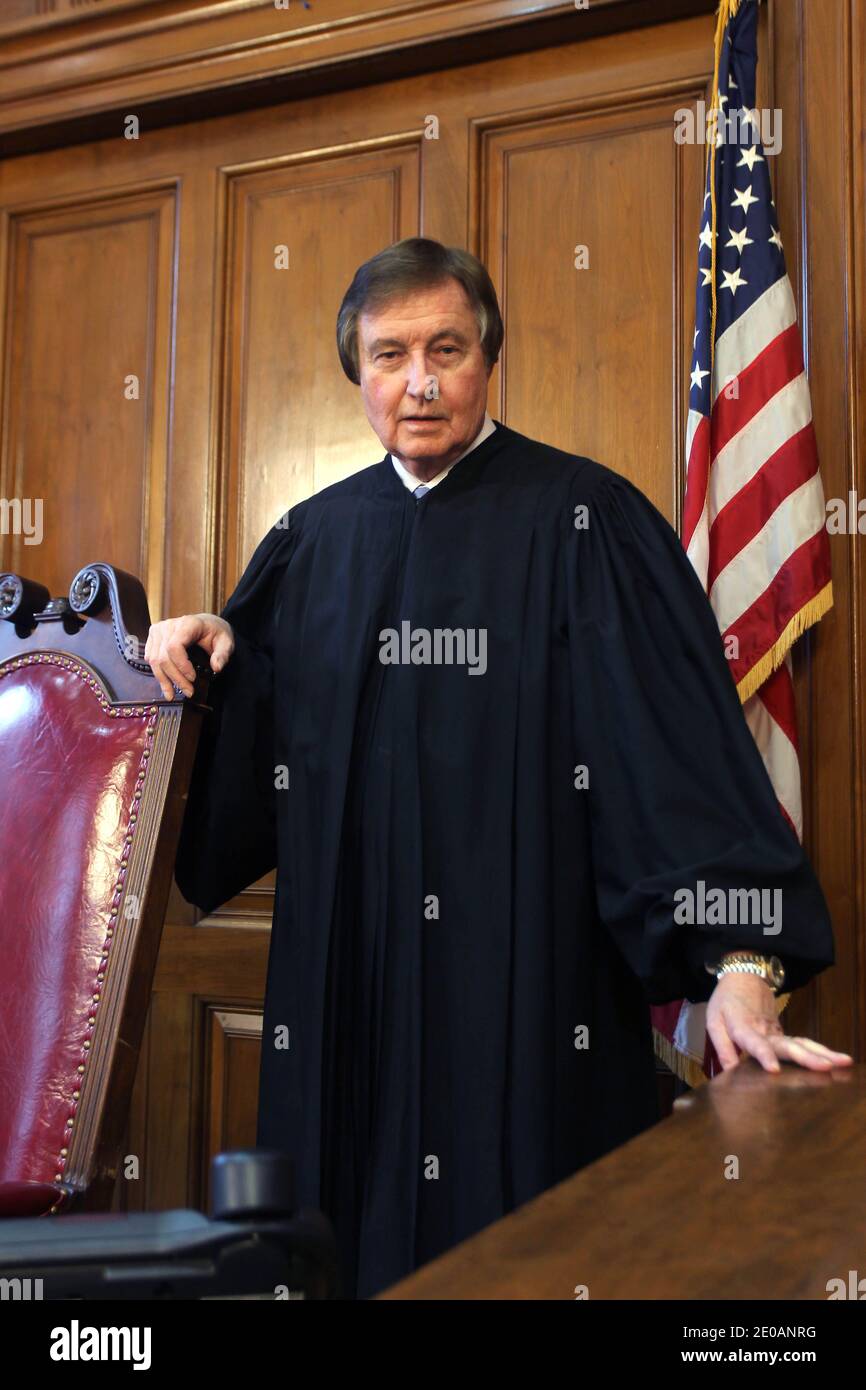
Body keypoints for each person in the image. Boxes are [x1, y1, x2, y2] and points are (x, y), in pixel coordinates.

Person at [145, 237, 851, 1299]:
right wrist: (211, 659)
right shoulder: (307, 543)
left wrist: (742, 969)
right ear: (357, 372)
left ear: (487, 361)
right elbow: (240, 789)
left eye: (447, 348)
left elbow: (678, 761)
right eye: (389, 354)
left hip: (531, 1002)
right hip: (351, 1007)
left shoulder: (588, 524)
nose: (418, 381)